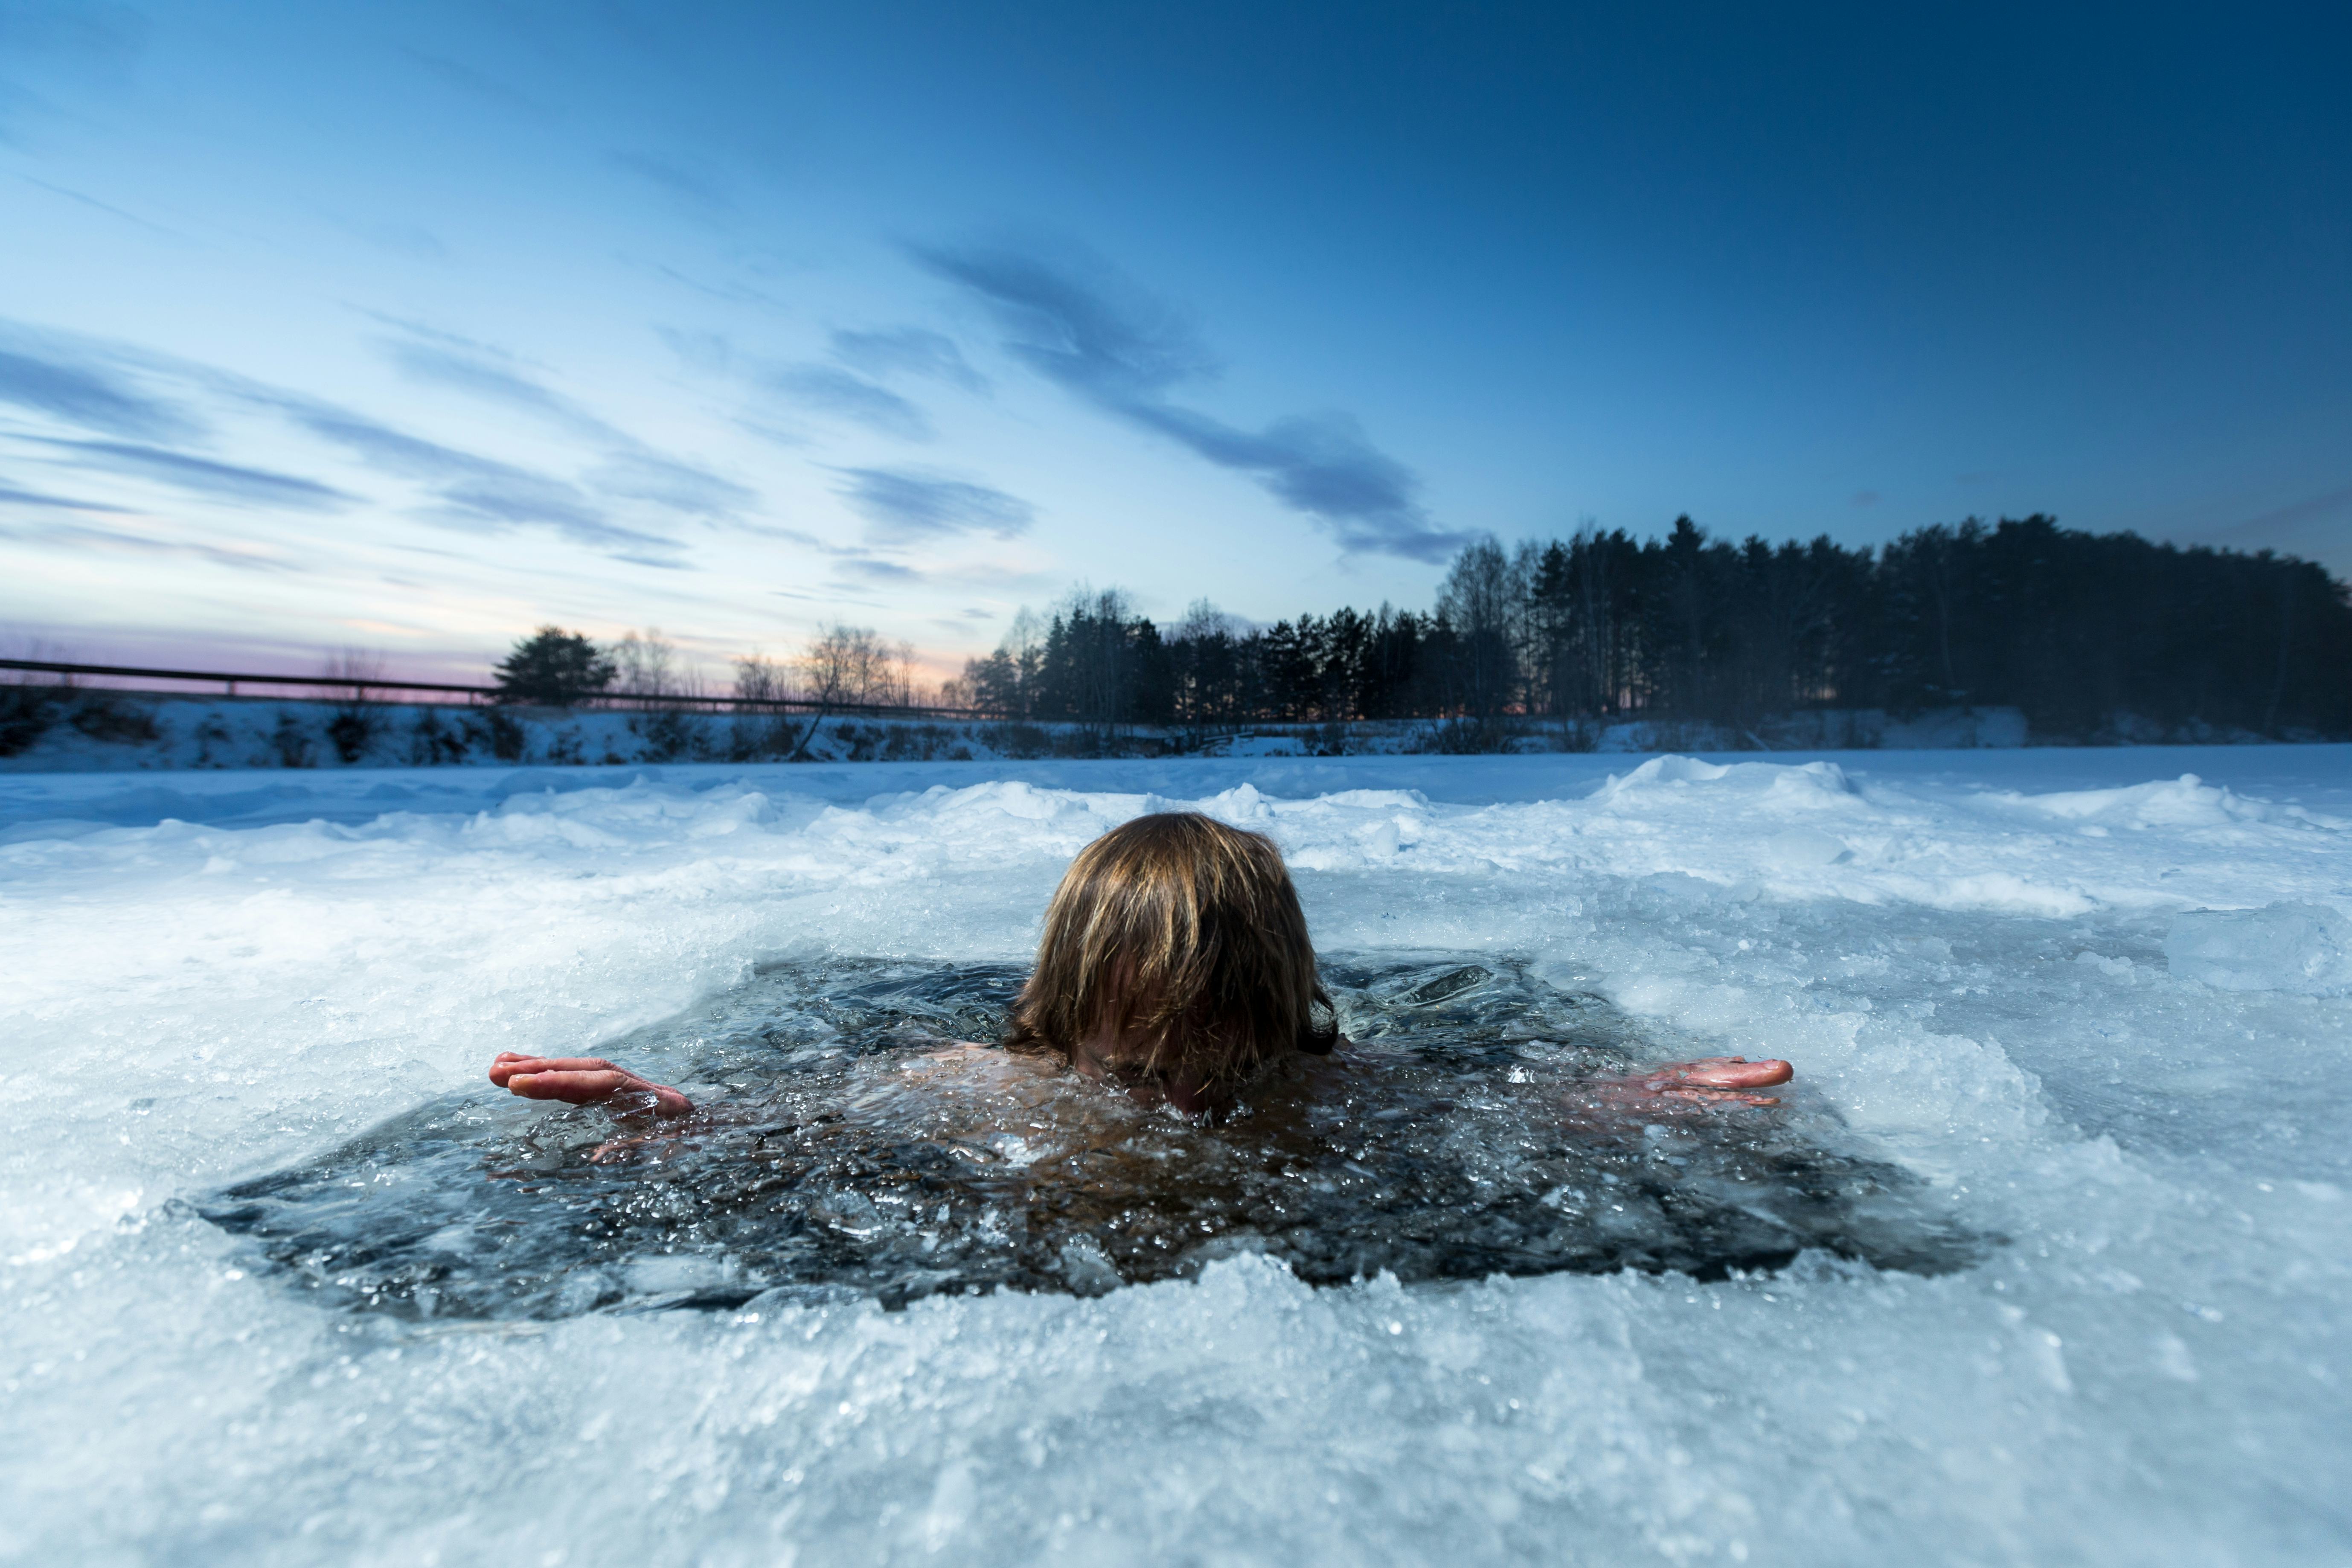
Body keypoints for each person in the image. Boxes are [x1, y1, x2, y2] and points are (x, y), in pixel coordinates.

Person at [489, 811, 1792, 1123]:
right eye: (1137, 1065)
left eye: (1227, 1059)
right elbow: (806, 1116)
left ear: (1282, 1014)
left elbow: (1481, 1100)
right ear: (1063, 1017)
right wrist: (676, 1116)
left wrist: (1628, 1098)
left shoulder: (1330, 1077)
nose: (1185, 1095)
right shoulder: (992, 1080)